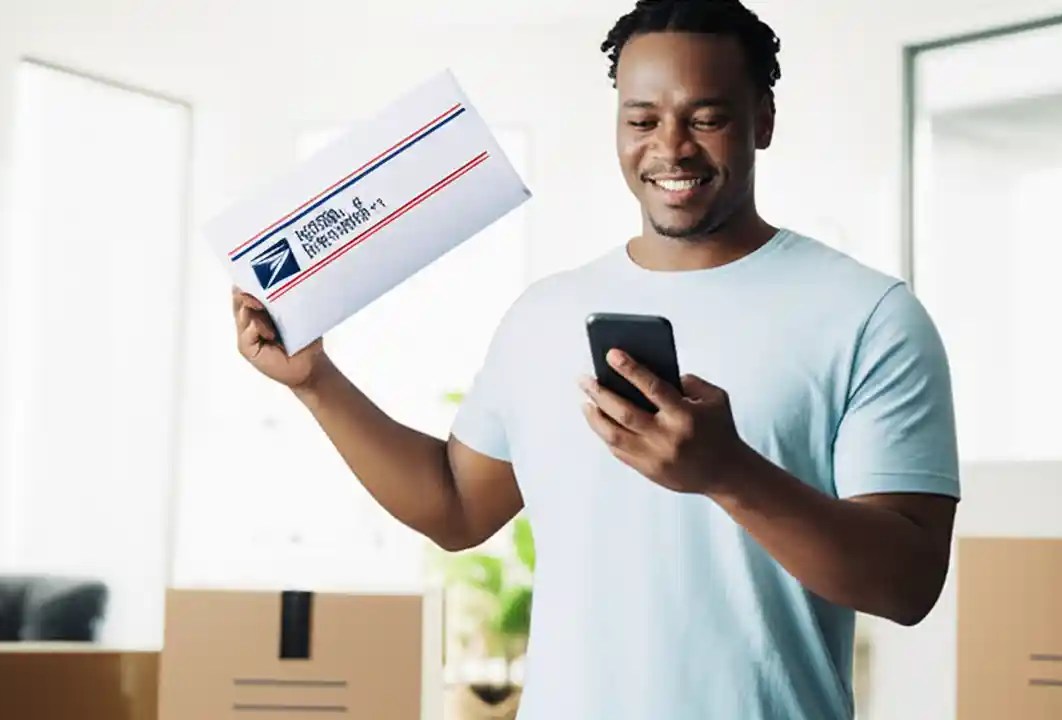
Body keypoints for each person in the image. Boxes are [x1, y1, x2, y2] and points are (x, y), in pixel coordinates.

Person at [231, 0, 960, 717]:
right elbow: (455, 507)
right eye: (642, 120)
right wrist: (316, 383)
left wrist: (728, 473)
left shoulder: (869, 316)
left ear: (762, 120)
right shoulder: (544, 315)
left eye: (706, 118)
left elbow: (908, 584)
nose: (670, 148)